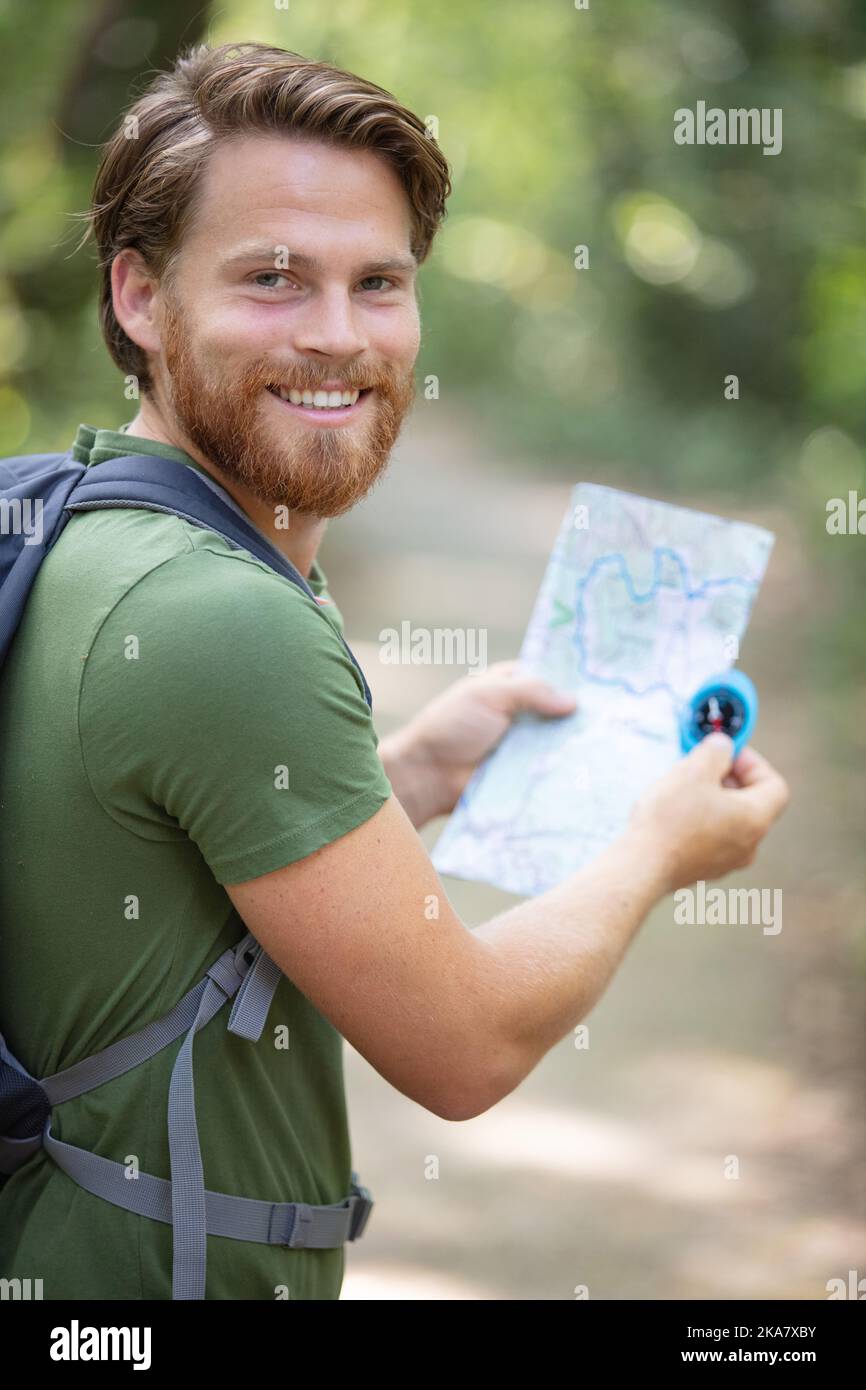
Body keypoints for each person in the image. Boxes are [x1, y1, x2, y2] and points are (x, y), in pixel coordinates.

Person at [0, 41, 789, 1301]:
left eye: (377, 283)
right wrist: (660, 846)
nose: (335, 336)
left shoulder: (83, 526)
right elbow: (463, 1046)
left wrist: (408, 773)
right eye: (272, 278)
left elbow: (142, 863)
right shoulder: (220, 619)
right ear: (140, 297)